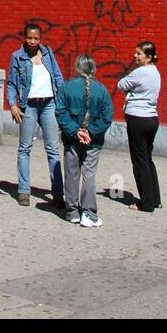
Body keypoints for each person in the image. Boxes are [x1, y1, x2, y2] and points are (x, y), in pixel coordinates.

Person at [7, 21, 65, 208]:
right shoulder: (17, 57)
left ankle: (57, 193)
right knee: (25, 148)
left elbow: (57, 77)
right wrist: (13, 105)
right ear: (25, 38)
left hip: (49, 104)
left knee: (53, 149)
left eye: (36, 38)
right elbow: (11, 83)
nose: (33, 41)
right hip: (28, 106)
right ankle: (24, 190)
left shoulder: (48, 53)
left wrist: (62, 103)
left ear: (40, 39)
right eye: (30, 37)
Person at [55, 55, 114, 227]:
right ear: (93, 69)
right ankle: (89, 213)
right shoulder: (102, 89)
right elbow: (107, 116)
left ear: (77, 68)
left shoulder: (66, 88)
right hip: (93, 141)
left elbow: (60, 112)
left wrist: (76, 131)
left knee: (72, 174)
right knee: (89, 175)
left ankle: (72, 211)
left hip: (71, 138)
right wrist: (90, 132)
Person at [117, 40, 162, 212]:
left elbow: (121, 84)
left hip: (138, 118)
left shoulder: (140, 72)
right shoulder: (155, 72)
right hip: (152, 118)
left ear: (148, 57)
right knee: (148, 159)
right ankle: (155, 198)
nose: (135, 56)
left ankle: (146, 203)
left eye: (139, 53)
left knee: (139, 161)